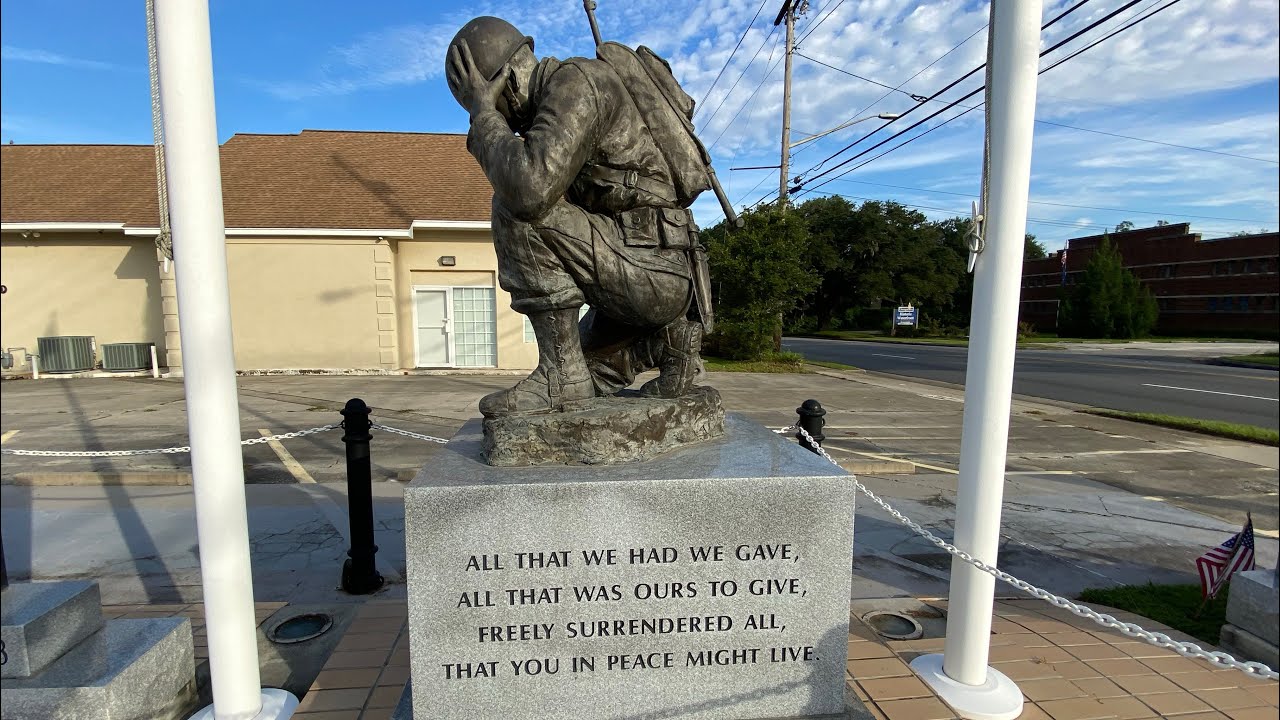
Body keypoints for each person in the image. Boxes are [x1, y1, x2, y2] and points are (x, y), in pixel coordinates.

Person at [445, 16, 710, 418]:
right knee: (591, 373)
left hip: (652, 273)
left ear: (508, 81)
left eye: (490, 97)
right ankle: (670, 343)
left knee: (515, 206)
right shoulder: (570, 93)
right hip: (655, 273)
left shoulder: (576, 84)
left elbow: (529, 191)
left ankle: (560, 379)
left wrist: (483, 117)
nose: (501, 114)